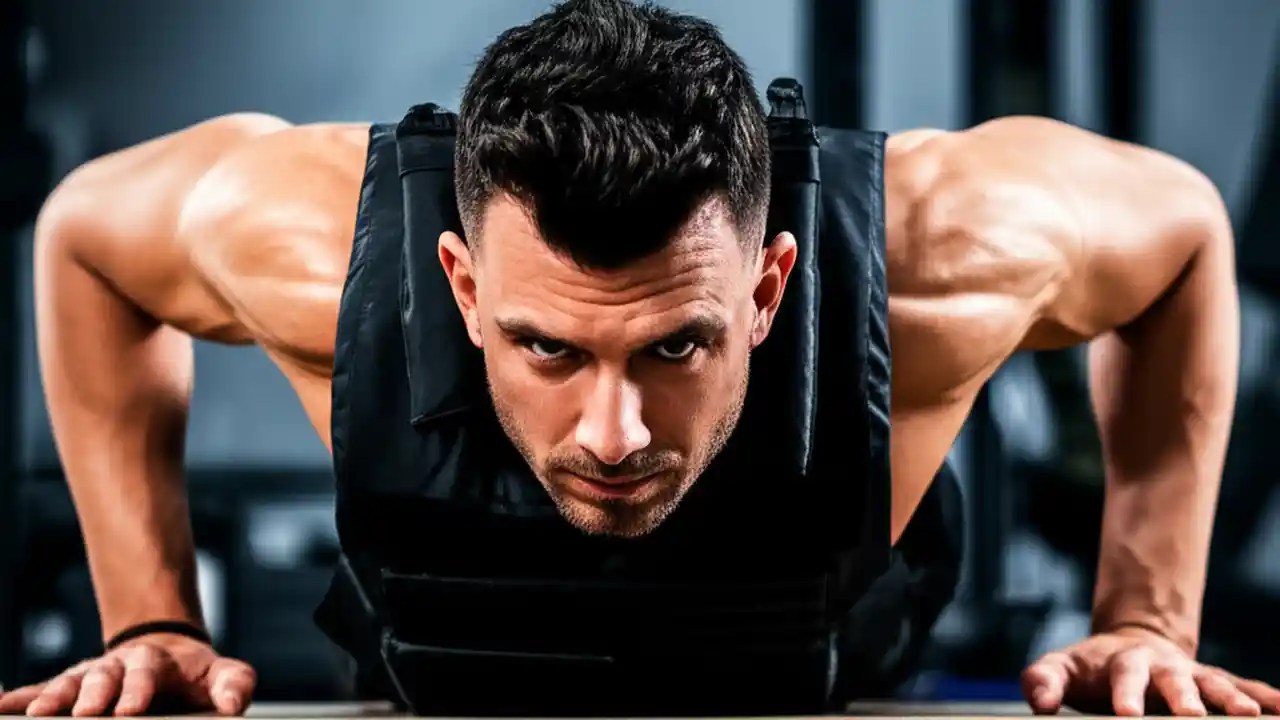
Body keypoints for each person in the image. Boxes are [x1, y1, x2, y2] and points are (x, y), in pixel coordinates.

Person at [3, 0, 1277, 716]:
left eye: (676, 343)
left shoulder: (938, 256)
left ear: (770, 284)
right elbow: (85, 241)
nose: (611, 434)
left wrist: (1144, 616)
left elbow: (1177, 239)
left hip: (826, 658)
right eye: (546, 346)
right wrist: (152, 615)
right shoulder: (300, 242)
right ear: (461, 282)